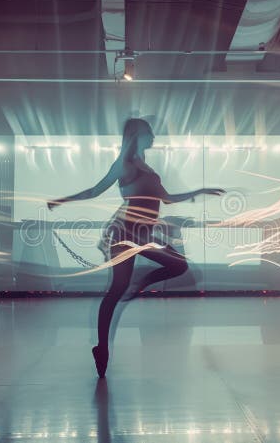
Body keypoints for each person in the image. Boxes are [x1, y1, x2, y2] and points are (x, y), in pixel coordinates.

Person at [48, 118, 224, 377]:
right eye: (148, 132)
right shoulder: (125, 165)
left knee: (178, 265)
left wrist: (200, 191)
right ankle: (102, 348)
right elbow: (95, 190)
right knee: (116, 290)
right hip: (124, 235)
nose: (153, 136)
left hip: (143, 235)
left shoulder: (145, 166)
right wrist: (62, 200)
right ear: (135, 136)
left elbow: (167, 199)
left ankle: (139, 282)